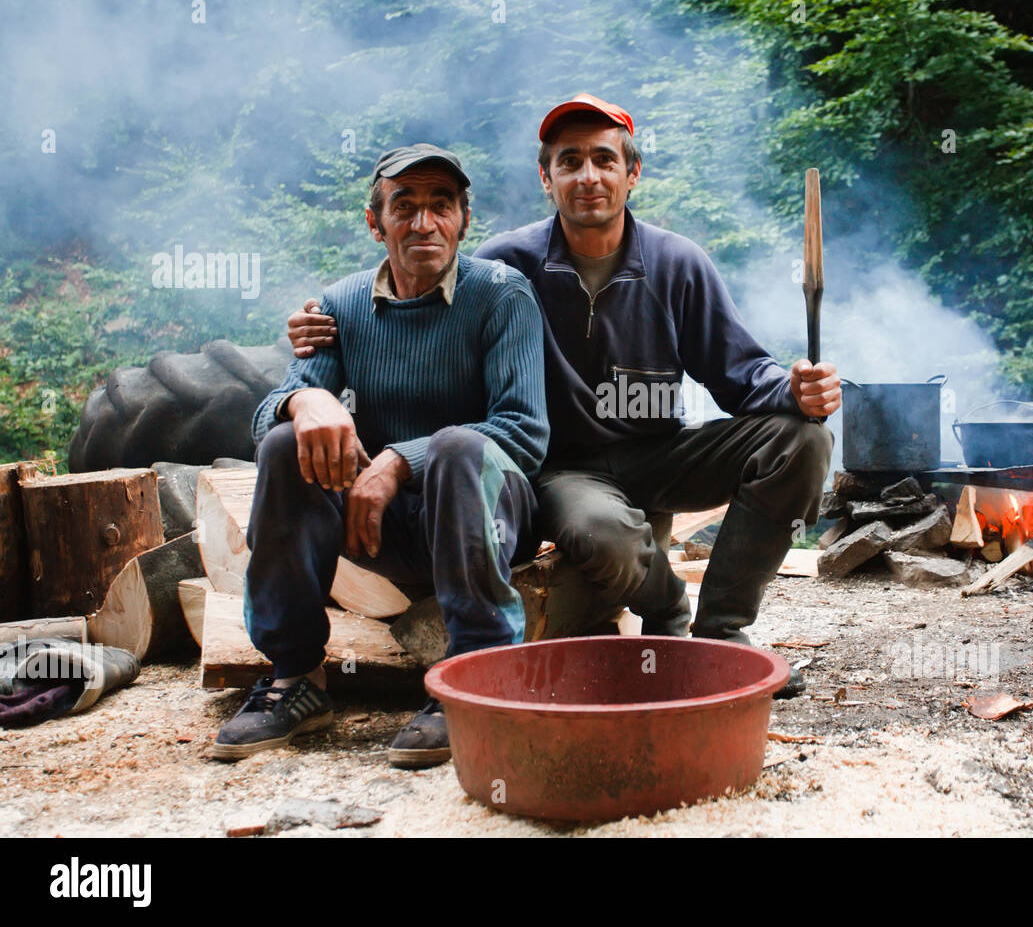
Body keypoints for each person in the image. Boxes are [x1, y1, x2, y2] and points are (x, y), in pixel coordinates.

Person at [289, 95, 840, 697]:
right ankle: (667, 606)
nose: (588, 177)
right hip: (558, 467)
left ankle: (721, 635)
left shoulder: (678, 263)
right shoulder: (506, 266)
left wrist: (793, 389)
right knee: (602, 535)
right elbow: (421, 292)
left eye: (605, 160)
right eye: (569, 161)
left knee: (803, 440)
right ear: (545, 177)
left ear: (632, 173)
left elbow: (740, 373)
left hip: (661, 450)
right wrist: (327, 321)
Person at [214, 144, 548, 767]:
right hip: (383, 531)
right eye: (406, 206)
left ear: (463, 219)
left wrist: (398, 460)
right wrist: (304, 403)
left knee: (455, 447)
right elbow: (266, 420)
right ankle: (296, 678)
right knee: (288, 443)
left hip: (490, 516)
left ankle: (472, 676)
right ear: (376, 223)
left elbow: (524, 432)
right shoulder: (340, 305)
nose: (425, 223)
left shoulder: (503, 296)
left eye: (441, 206)